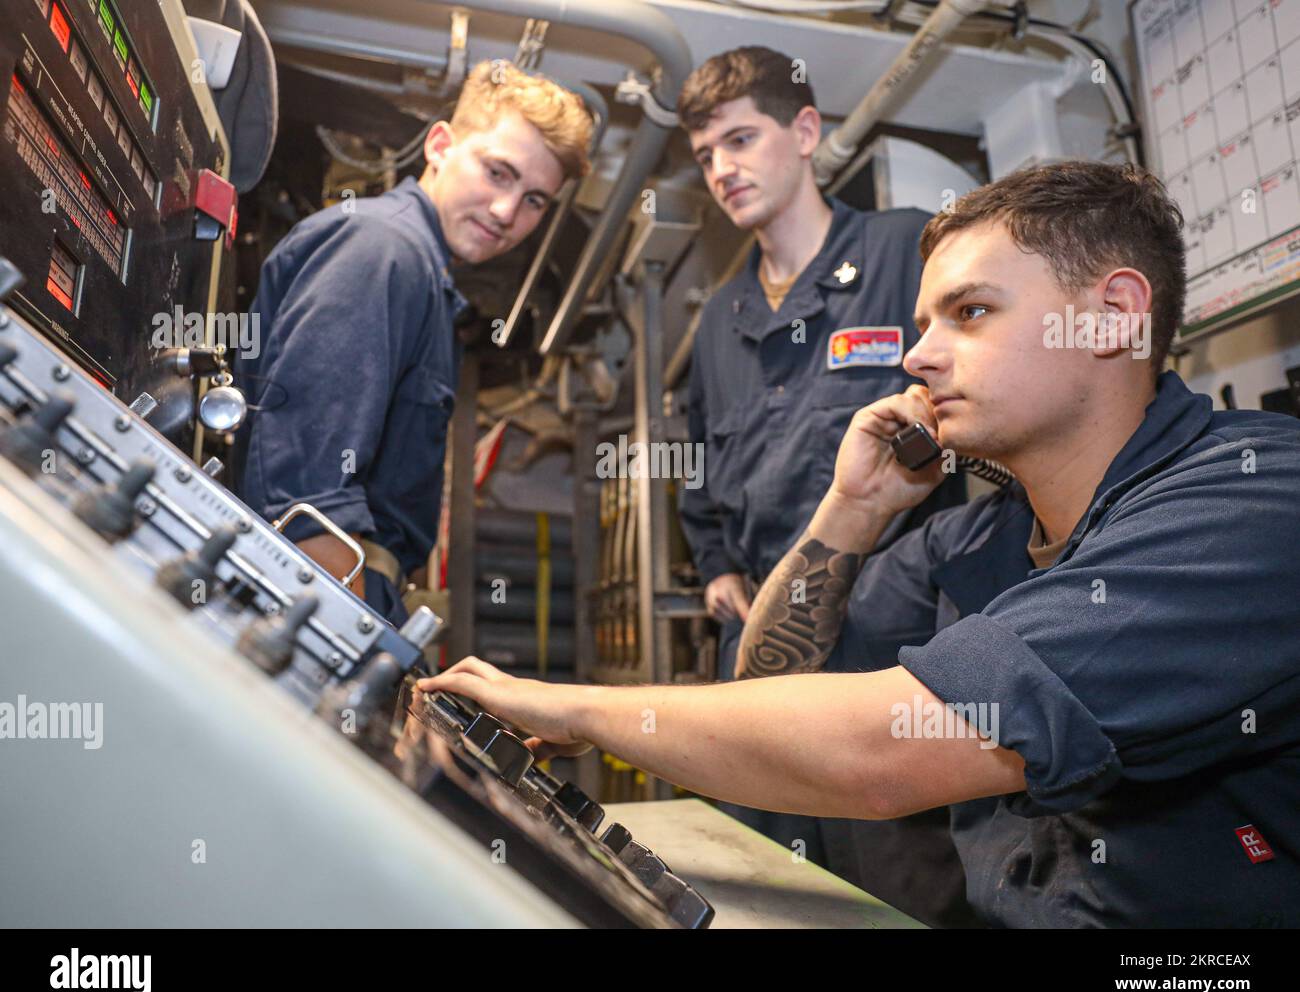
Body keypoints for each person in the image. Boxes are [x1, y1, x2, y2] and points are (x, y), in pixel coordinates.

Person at [419, 160, 1300, 927]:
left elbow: (878, 755)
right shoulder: (976, 537)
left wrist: (571, 709)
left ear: (1112, 316)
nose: (919, 357)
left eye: (970, 311)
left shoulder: (1252, 502)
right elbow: (768, 680)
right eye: (924, 324)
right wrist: (852, 507)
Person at [674, 46, 972, 926]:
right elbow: (696, 460)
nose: (722, 169)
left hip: (894, 639)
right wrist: (714, 563)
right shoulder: (720, 320)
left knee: (904, 892)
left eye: (740, 139)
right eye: (705, 156)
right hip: (767, 644)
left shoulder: (906, 251)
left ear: (805, 132)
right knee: (761, 886)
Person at [233, 61, 592, 622]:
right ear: (440, 146)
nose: (507, 212)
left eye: (535, 200)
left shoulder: (427, 279)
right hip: (312, 601)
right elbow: (307, 498)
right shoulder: (382, 250)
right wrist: (353, 644)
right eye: (498, 173)